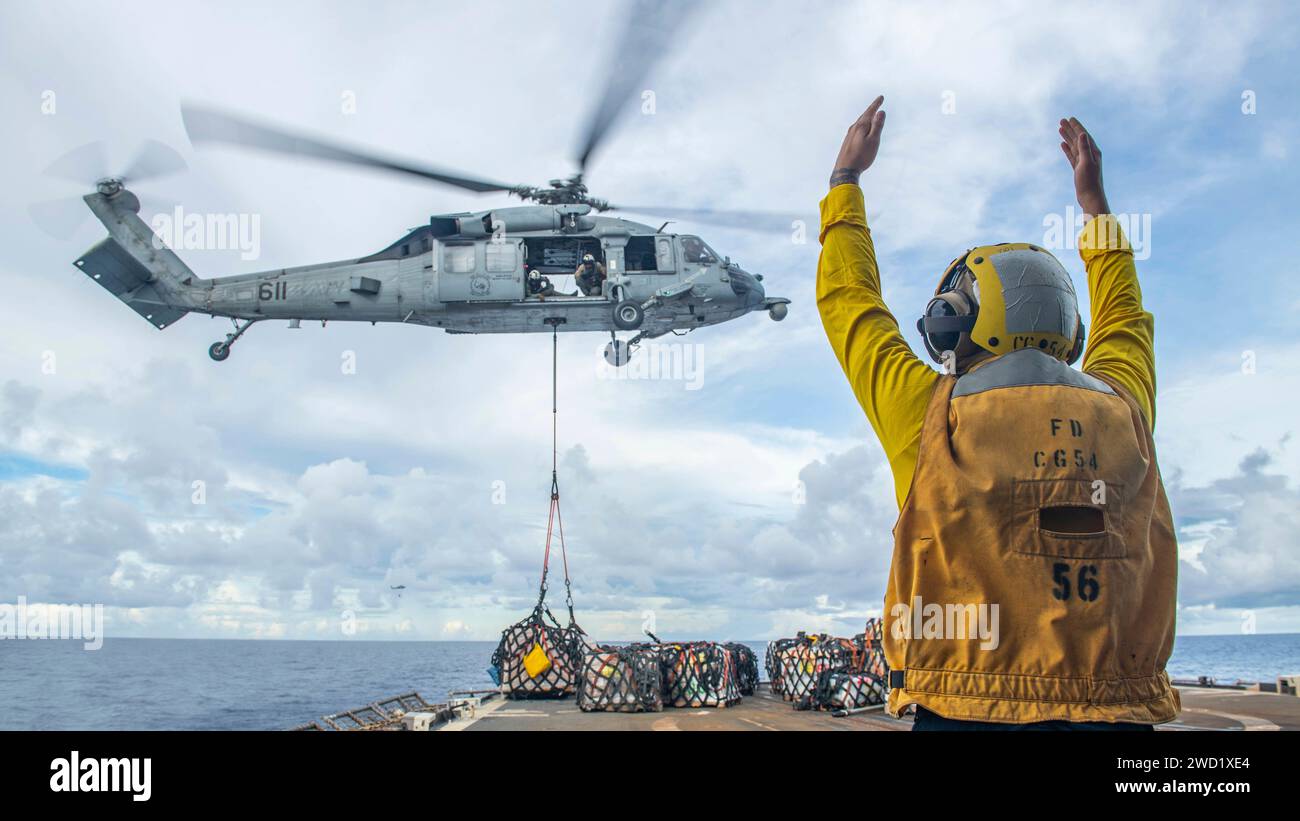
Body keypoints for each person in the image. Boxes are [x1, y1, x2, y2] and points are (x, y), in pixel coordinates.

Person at [817, 95, 1178, 730]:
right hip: (1118, 713)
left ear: (952, 322)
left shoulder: (929, 415)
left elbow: (852, 305)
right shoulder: (1125, 409)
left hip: (965, 709)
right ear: (1068, 329)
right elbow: (1125, 317)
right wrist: (1094, 208)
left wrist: (844, 185)